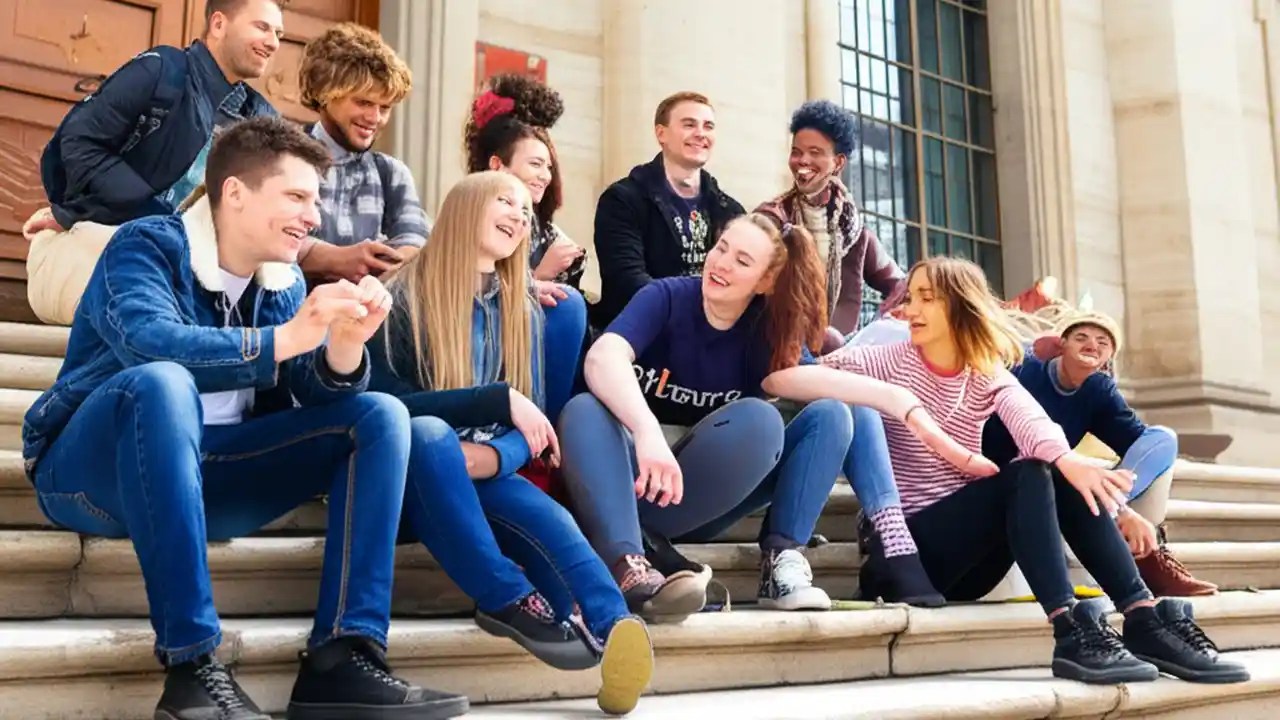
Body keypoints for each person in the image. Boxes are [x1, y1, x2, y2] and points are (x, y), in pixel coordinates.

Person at [21, 117, 467, 720]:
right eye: (297, 197)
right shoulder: (148, 245)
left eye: (316, 200)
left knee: (381, 416)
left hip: (210, 475)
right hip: (90, 475)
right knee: (162, 381)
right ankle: (192, 667)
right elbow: (149, 343)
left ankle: (342, 658)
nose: (314, 218)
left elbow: (305, 393)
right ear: (235, 193)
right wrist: (284, 339)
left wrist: (345, 345)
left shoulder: (278, 283)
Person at [766, 256, 1247, 685]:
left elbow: (1030, 418)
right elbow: (782, 377)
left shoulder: (986, 370)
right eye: (909, 297)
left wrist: (1090, 480)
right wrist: (894, 398)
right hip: (902, 557)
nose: (908, 309)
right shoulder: (887, 358)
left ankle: (1142, 616)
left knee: (1044, 464)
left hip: (969, 565)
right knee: (1028, 472)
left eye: (925, 299)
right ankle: (1068, 628)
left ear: (960, 306)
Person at [558, 214, 983, 619]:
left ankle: (782, 557)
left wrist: (901, 403)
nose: (722, 264)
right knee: (584, 409)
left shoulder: (765, 330)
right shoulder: (667, 297)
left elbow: (816, 382)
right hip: (623, 480)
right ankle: (629, 562)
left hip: (693, 497)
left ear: (765, 282)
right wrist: (646, 430)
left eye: (742, 261)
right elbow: (603, 357)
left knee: (822, 415)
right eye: (721, 249)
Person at [369, 171, 653, 717]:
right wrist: (489, 410)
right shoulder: (401, 297)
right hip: (410, 477)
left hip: (485, 474)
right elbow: (385, 407)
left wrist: (495, 456)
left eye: (526, 210)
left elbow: (535, 429)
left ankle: (616, 624)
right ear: (463, 207)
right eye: (506, 201)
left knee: (554, 524)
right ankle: (506, 595)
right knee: (430, 439)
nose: (521, 216)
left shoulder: (518, 308)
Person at [25, 0, 284, 325]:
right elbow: (79, 144)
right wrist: (145, 218)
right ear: (218, 24)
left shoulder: (260, 118)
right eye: (261, 27)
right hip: (119, 254)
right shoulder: (160, 71)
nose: (274, 42)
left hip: (194, 277)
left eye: (279, 33)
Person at [983, 310, 1217, 596]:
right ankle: (1139, 550)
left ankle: (1138, 542)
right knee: (1045, 467)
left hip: (1063, 478)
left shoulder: (1098, 390)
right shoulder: (1027, 370)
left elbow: (1143, 445)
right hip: (1011, 474)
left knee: (1163, 438)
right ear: (1061, 344)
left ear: (1108, 358)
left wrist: (1118, 502)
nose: (1092, 344)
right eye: (1081, 337)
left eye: (1103, 342)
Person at [756, 99, 905, 348]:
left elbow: (901, 287)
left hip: (839, 359)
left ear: (838, 163)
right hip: (777, 350)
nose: (802, 160)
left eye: (815, 153)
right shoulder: (772, 219)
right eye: (796, 151)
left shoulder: (855, 232)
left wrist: (876, 333)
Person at [590, 91, 746, 329]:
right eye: (689, 124)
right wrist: (693, 314)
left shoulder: (730, 211)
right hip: (643, 331)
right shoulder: (622, 200)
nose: (700, 133)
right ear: (661, 133)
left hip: (713, 331)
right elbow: (627, 281)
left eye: (708, 126)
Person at [294, 23, 430, 284]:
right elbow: (260, 236)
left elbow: (414, 241)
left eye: (385, 107)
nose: (375, 118)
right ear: (324, 94)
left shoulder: (392, 174)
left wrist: (381, 270)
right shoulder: (282, 157)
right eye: (363, 102)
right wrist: (336, 259)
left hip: (365, 318)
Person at [465, 73, 586, 288]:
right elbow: (472, 295)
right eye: (535, 164)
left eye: (549, 167)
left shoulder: (545, 229)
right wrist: (540, 274)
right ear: (497, 165)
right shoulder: (471, 219)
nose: (545, 176)